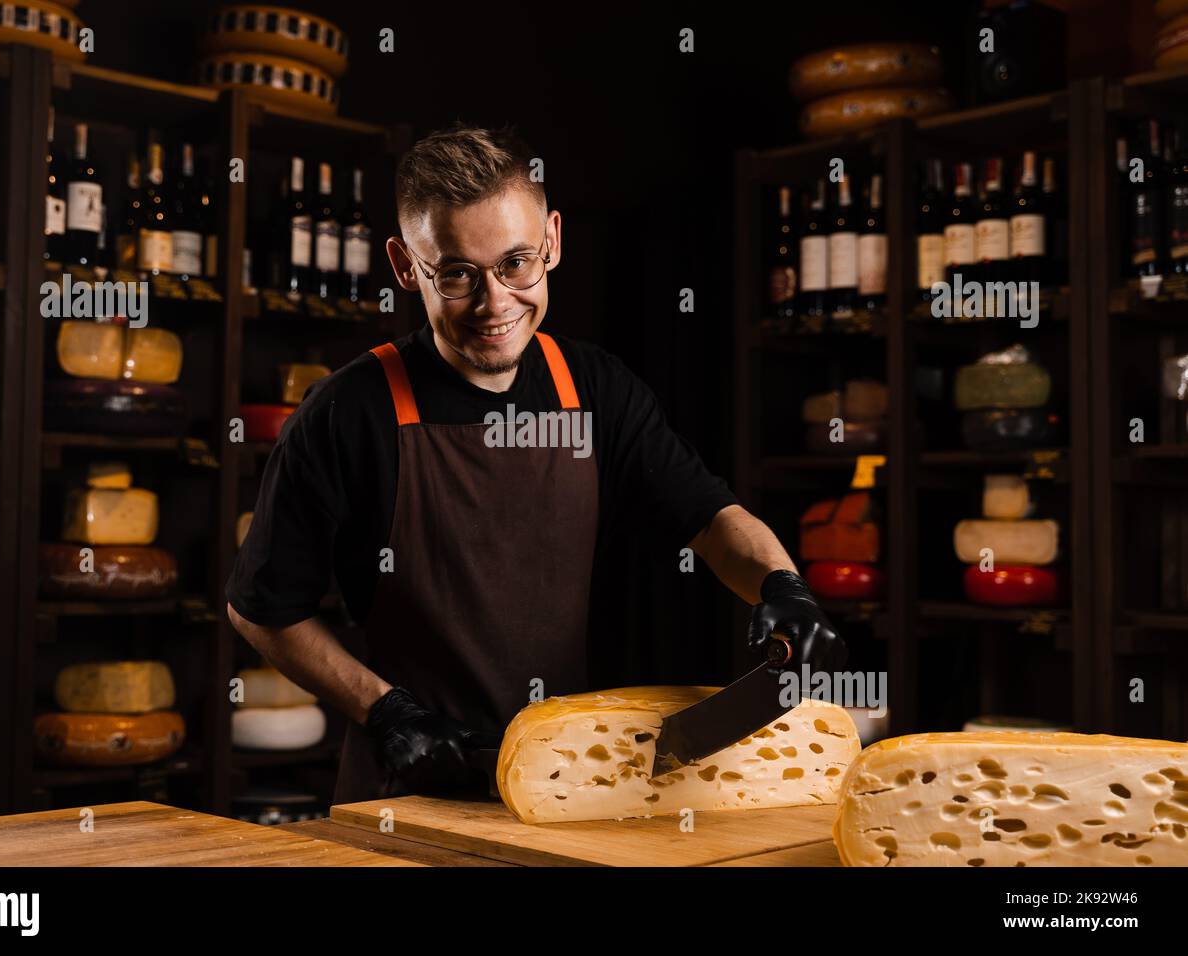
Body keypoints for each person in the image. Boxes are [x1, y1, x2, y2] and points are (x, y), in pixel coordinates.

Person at [226, 122, 845, 803]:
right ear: (405, 266)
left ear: (552, 240)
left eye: (516, 263)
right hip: (409, 789)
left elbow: (712, 520)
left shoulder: (596, 389)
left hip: (570, 785)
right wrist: (387, 713)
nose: (496, 304)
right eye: (457, 274)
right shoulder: (345, 413)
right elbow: (260, 609)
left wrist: (784, 588)